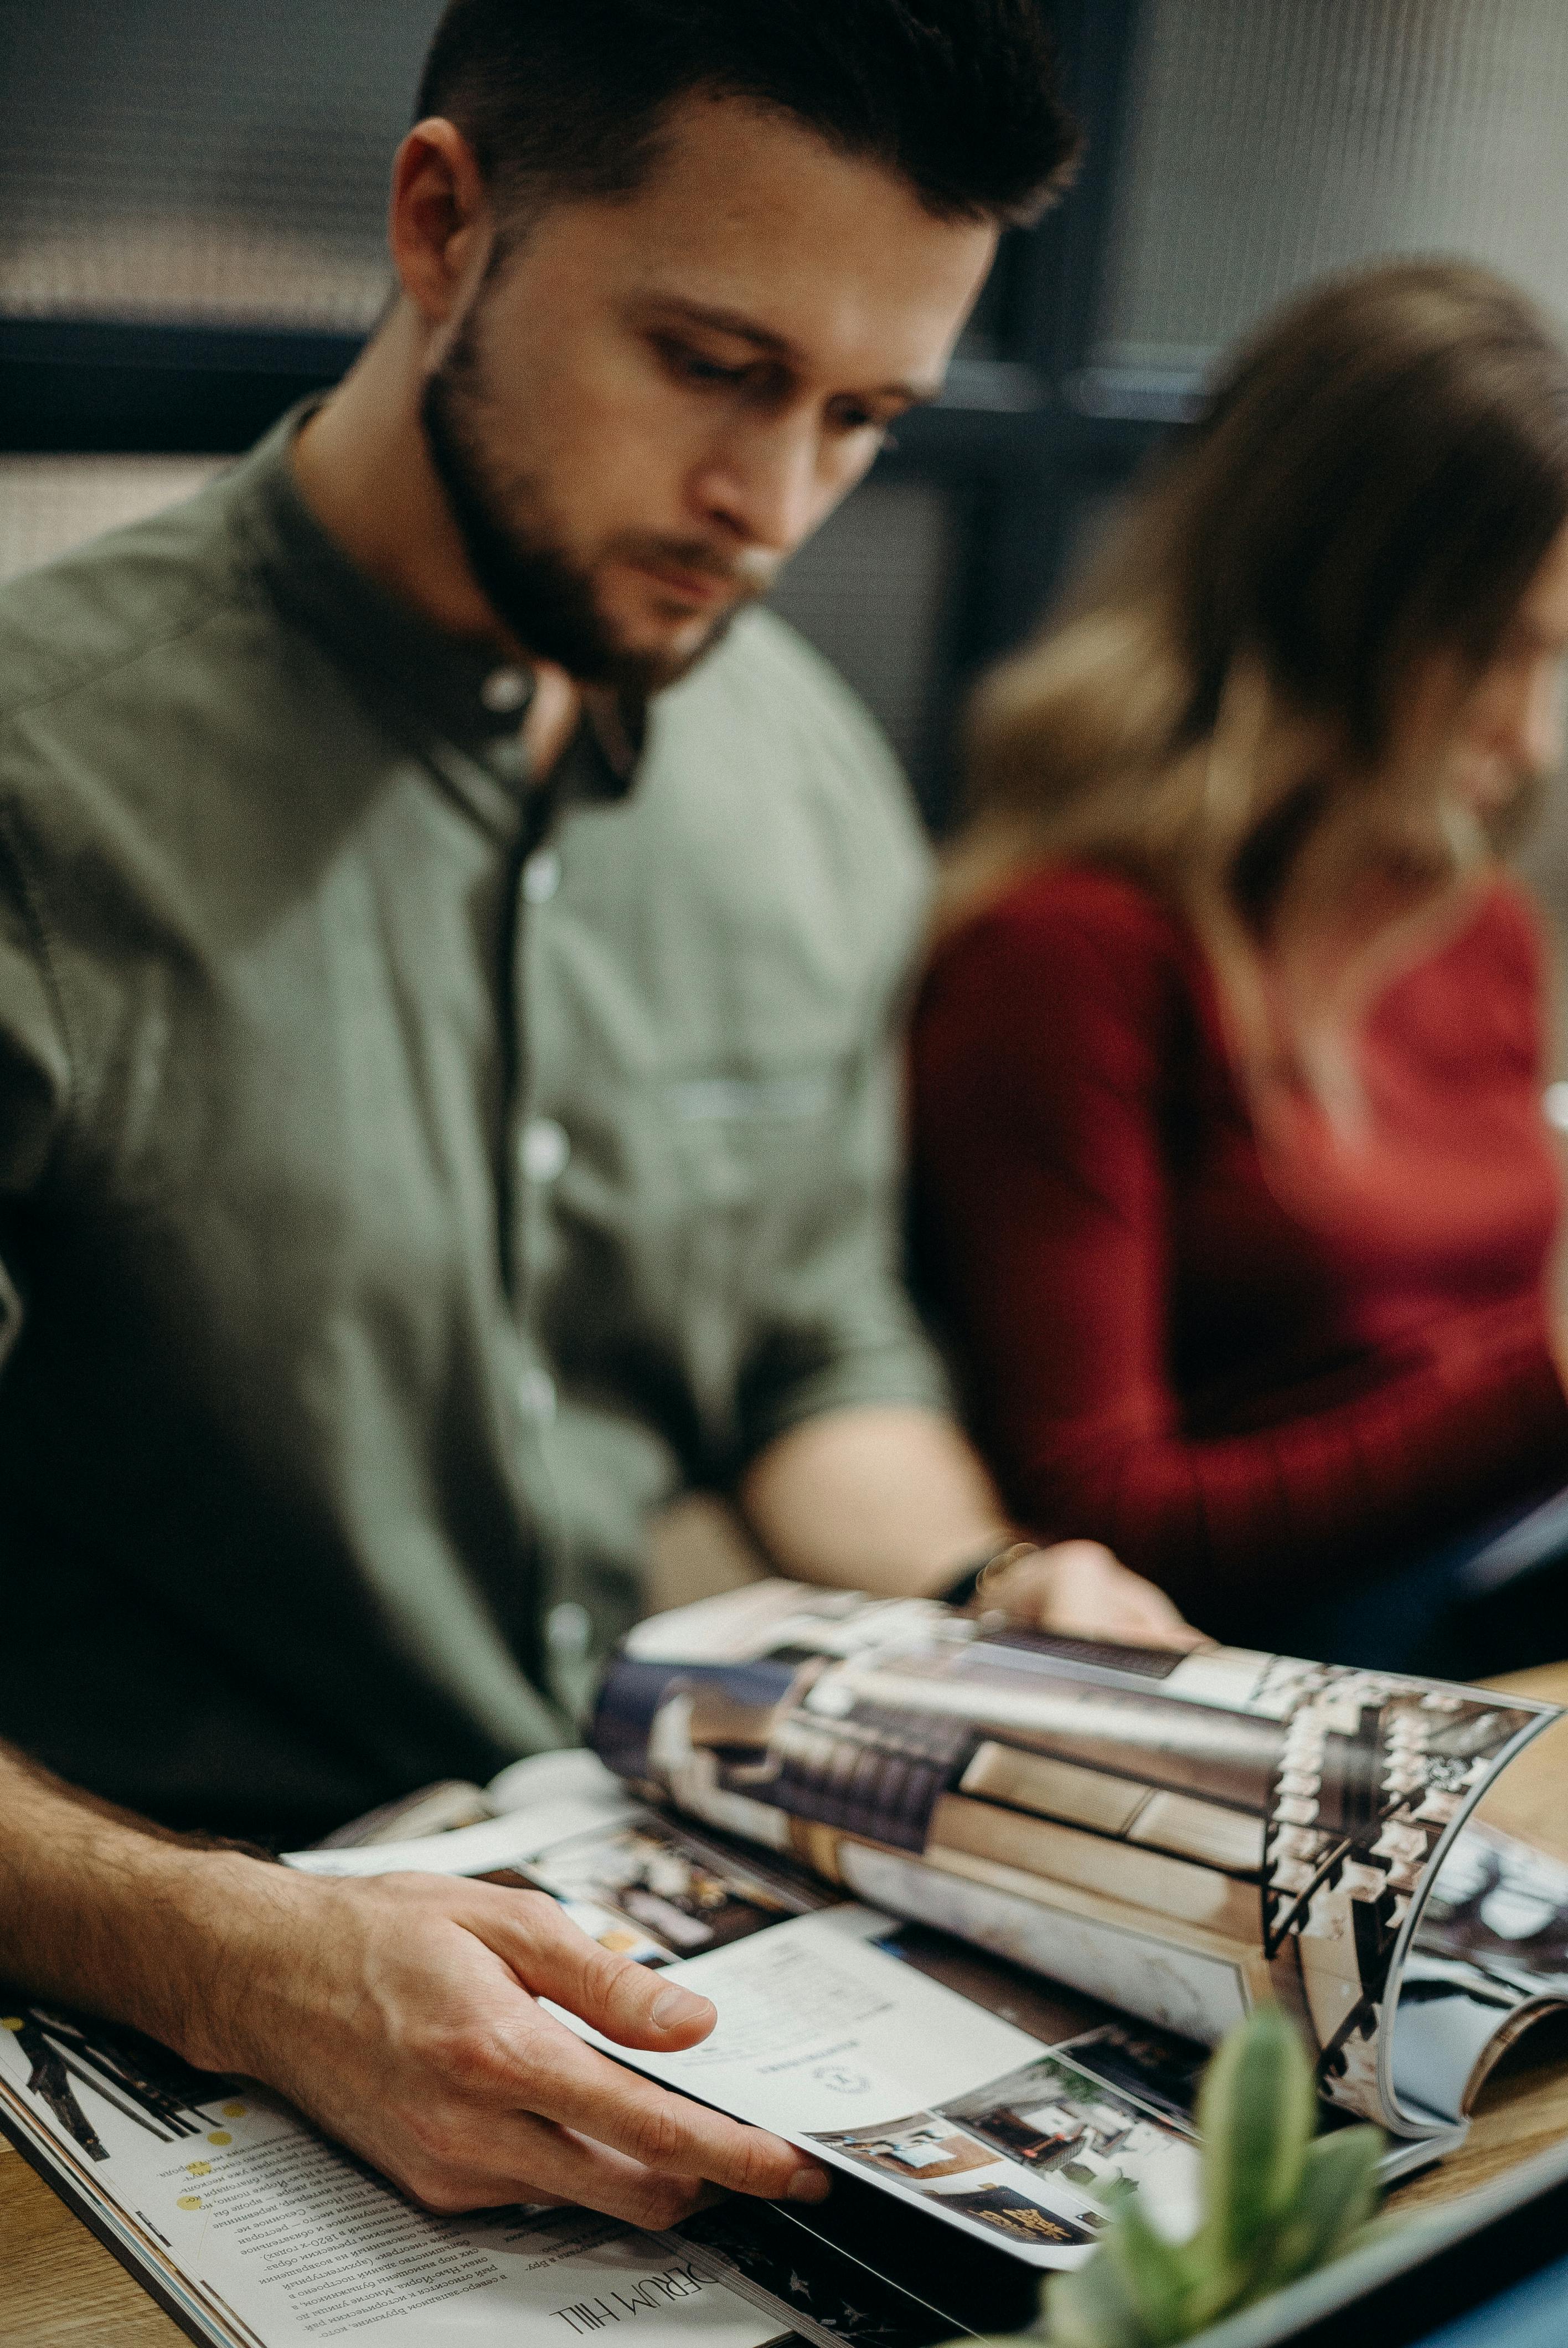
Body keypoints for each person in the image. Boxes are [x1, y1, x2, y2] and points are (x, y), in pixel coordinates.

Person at [0, 0, 1191, 2232]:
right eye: (717, 366)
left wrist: (1000, 1598)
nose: (778, 503)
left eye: (866, 414)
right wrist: (237, 1956)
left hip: (681, 1978)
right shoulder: (36, 788)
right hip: (145, 2022)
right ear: (445, 222)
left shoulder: (811, 781)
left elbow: (812, 1349)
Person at [910, 259, 1568, 1675]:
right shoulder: (1067, 956)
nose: (1534, 735)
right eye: (1491, 654)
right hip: (1274, 1669)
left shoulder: (1471, 912)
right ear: (1340, 610)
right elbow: (1103, 1518)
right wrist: (1552, 1383)